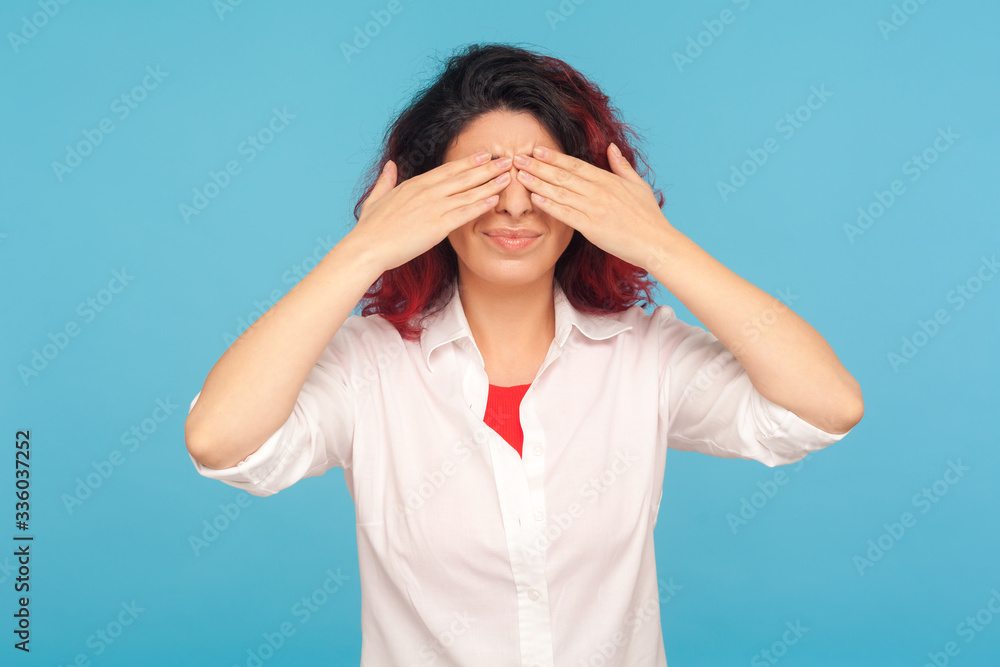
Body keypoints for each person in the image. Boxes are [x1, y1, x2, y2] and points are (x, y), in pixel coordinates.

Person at [184, 42, 863, 666]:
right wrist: (363, 250)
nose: (514, 206)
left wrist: (658, 244)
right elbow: (222, 440)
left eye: (543, 179)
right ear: (425, 199)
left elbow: (826, 406)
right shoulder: (370, 366)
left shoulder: (644, 354)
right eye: (480, 181)